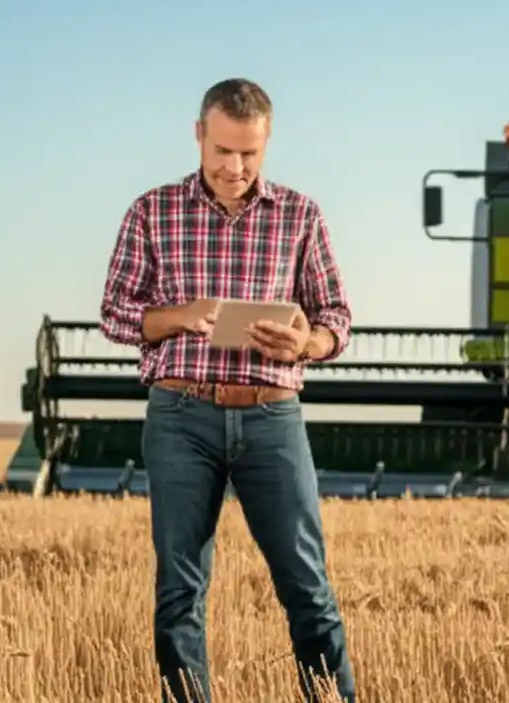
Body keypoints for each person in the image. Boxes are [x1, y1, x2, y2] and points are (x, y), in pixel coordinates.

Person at [98, 78, 358, 703]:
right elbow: (114, 314)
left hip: (272, 418)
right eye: (222, 151)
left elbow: (336, 319)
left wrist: (305, 344)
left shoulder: (301, 215)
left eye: (249, 153)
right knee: (180, 589)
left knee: (307, 586)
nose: (235, 167)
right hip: (180, 416)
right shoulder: (151, 211)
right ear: (198, 135)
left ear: (266, 144)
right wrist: (181, 315)